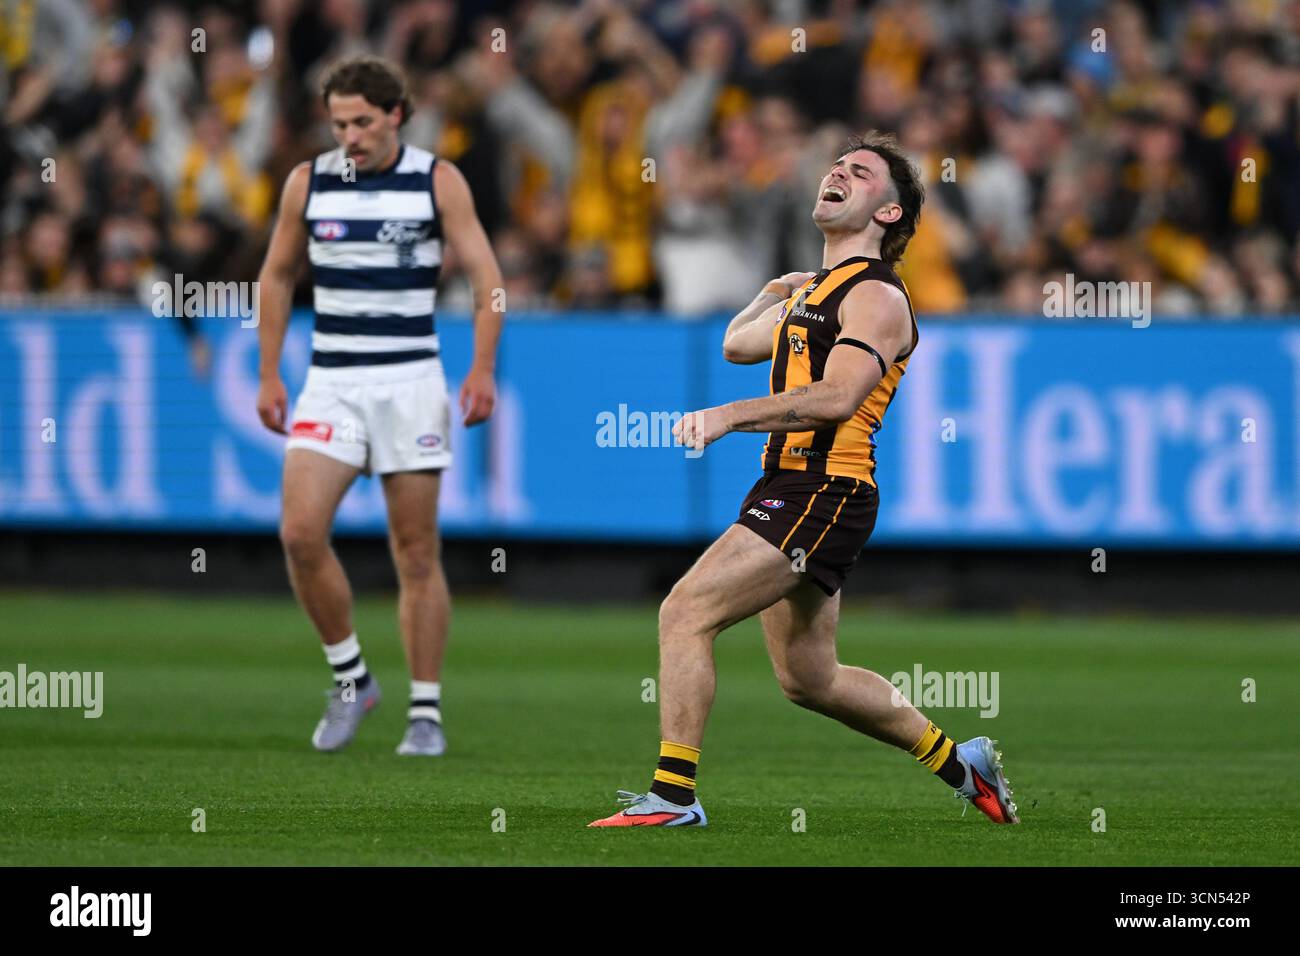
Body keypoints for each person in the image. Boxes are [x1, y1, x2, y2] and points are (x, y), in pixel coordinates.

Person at [588, 132, 1018, 827]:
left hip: (825, 487)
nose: (838, 173)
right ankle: (959, 761)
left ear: (887, 214)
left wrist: (730, 415)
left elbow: (838, 397)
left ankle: (672, 797)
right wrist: (768, 295)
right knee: (809, 679)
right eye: (837, 165)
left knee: (684, 612)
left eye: (861, 171)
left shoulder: (878, 296)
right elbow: (734, 344)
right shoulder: (819, 290)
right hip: (793, 489)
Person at [255, 56, 503, 756]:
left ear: (396, 114)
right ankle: (352, 679)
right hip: (330, 380)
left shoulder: (437, 179)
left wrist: (482, 366)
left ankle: (425, 711)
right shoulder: (307, 182)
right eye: (338, 123)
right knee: (300, 534)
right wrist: (269, 372)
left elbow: (489, 277)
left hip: (409, 382)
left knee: (415, 553)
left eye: (362, 121)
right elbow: (275, 277)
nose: (350, 136)